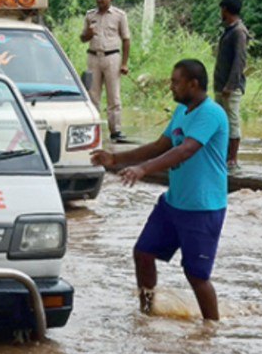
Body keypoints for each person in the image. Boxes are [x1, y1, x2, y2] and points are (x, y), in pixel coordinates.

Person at [91, 60, 229, 321]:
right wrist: (116, 158)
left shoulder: (211, 114)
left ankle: (211, 330)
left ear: (193, 84)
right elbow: (160, 146)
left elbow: (185, 149)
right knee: (143, 253)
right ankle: (147, 313)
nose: (170, 87)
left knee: (196, 275)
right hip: (173, 204)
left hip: (202, 208)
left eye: (175, 82)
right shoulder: (181, 110)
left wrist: (143, 170)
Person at [81, 0, 131, 142]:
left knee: (113, 96)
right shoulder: (90, 15)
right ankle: (92, 128)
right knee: (92, 94)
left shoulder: (119, 15)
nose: (99, 0)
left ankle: (115, 130)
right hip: (93, 57)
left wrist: (124, 63)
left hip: (112, 58)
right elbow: (82, 38)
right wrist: (89, 33)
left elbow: (126, 40)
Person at [214, 0, 249, 171]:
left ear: (225, 9)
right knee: (219, 121)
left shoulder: (239, 32)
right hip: (222, 86)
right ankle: (221, 156)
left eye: (221, 9)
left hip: (230, 87)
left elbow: (239, 61)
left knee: (232, 122)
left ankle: (232, 160)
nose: (221, 12)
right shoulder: (230, 29)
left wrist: (230, 85)